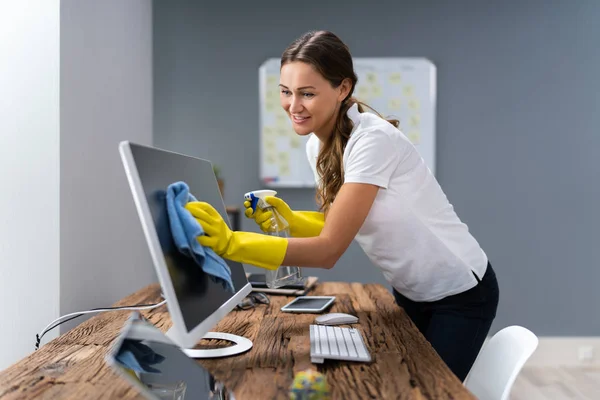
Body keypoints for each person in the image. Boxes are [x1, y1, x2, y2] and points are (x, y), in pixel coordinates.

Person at [185, 30, 499, 381]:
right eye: (286, 93)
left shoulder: (373, 140)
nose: (294, 106)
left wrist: (231, 244)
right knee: (400, 383)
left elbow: (330, 249)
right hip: (412, 290)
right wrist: (292, 219)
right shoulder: (318, 146)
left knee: (427, 389)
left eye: (307, 93)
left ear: (343, 89)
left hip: (460, 293)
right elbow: (340, 222)